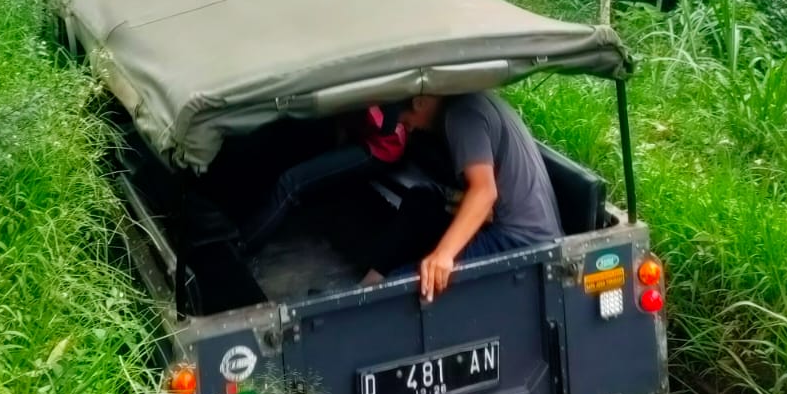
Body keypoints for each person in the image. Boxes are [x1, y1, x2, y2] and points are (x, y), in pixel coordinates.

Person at [361, 91, 562, 301]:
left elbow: (484, 191)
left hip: (519, 240)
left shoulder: (461, 116)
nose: (407, 127)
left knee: (394, 291)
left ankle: (375, 294)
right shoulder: (467, 100)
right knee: (423, 198)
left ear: (419, 103)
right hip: (505, 221)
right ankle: (370, 282)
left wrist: (443, 255)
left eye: (405, 119)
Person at [239, 104, 408, 253]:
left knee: (290, 182)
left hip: (378, 147)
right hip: (356, 132)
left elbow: (388, 124)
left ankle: (243, 244)